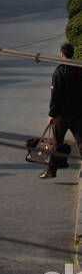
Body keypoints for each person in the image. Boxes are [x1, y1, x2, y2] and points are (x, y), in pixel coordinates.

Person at [39, 42, 82, 180]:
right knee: (81, 142)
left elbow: (55, 95)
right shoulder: (80, 69)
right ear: (73, 53)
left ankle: (51, 171)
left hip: (61, 115)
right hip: (78, 113)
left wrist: (51, 114)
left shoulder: (59, 72)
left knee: (57, 144)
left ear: (62, 54)